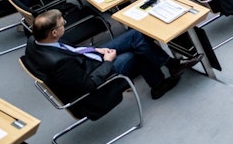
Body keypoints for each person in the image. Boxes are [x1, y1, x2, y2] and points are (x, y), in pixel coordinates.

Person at [26, 9, 185, 104]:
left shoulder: (36, 39)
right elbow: (88, 84)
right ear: (54, 33)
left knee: (135, 36)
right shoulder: (60, 63)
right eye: (62, 24)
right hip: (98, 72)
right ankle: (158, 85)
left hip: (88, 58)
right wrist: (108, 61)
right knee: (138, 51)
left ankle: (171, 64)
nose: (65, 23)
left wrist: (96, 50)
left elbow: (70, 49)